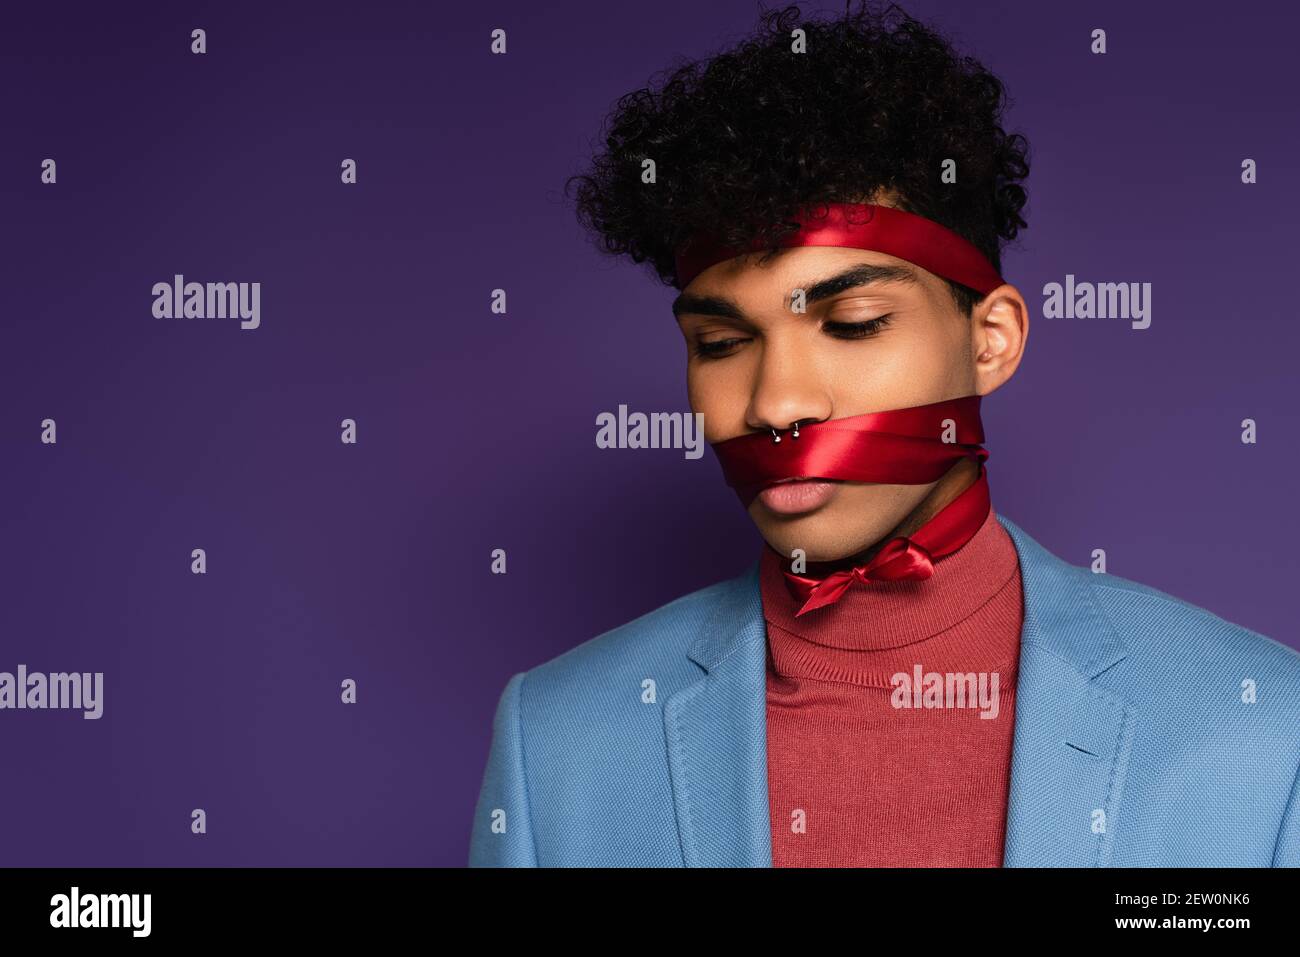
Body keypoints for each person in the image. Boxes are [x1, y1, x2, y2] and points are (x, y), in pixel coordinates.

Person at [468, 0, 1300, 867]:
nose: (776, 405)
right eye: (719, 343)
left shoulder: (1266, 734)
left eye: (855, 321)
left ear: (992, 340)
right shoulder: (556, 745)